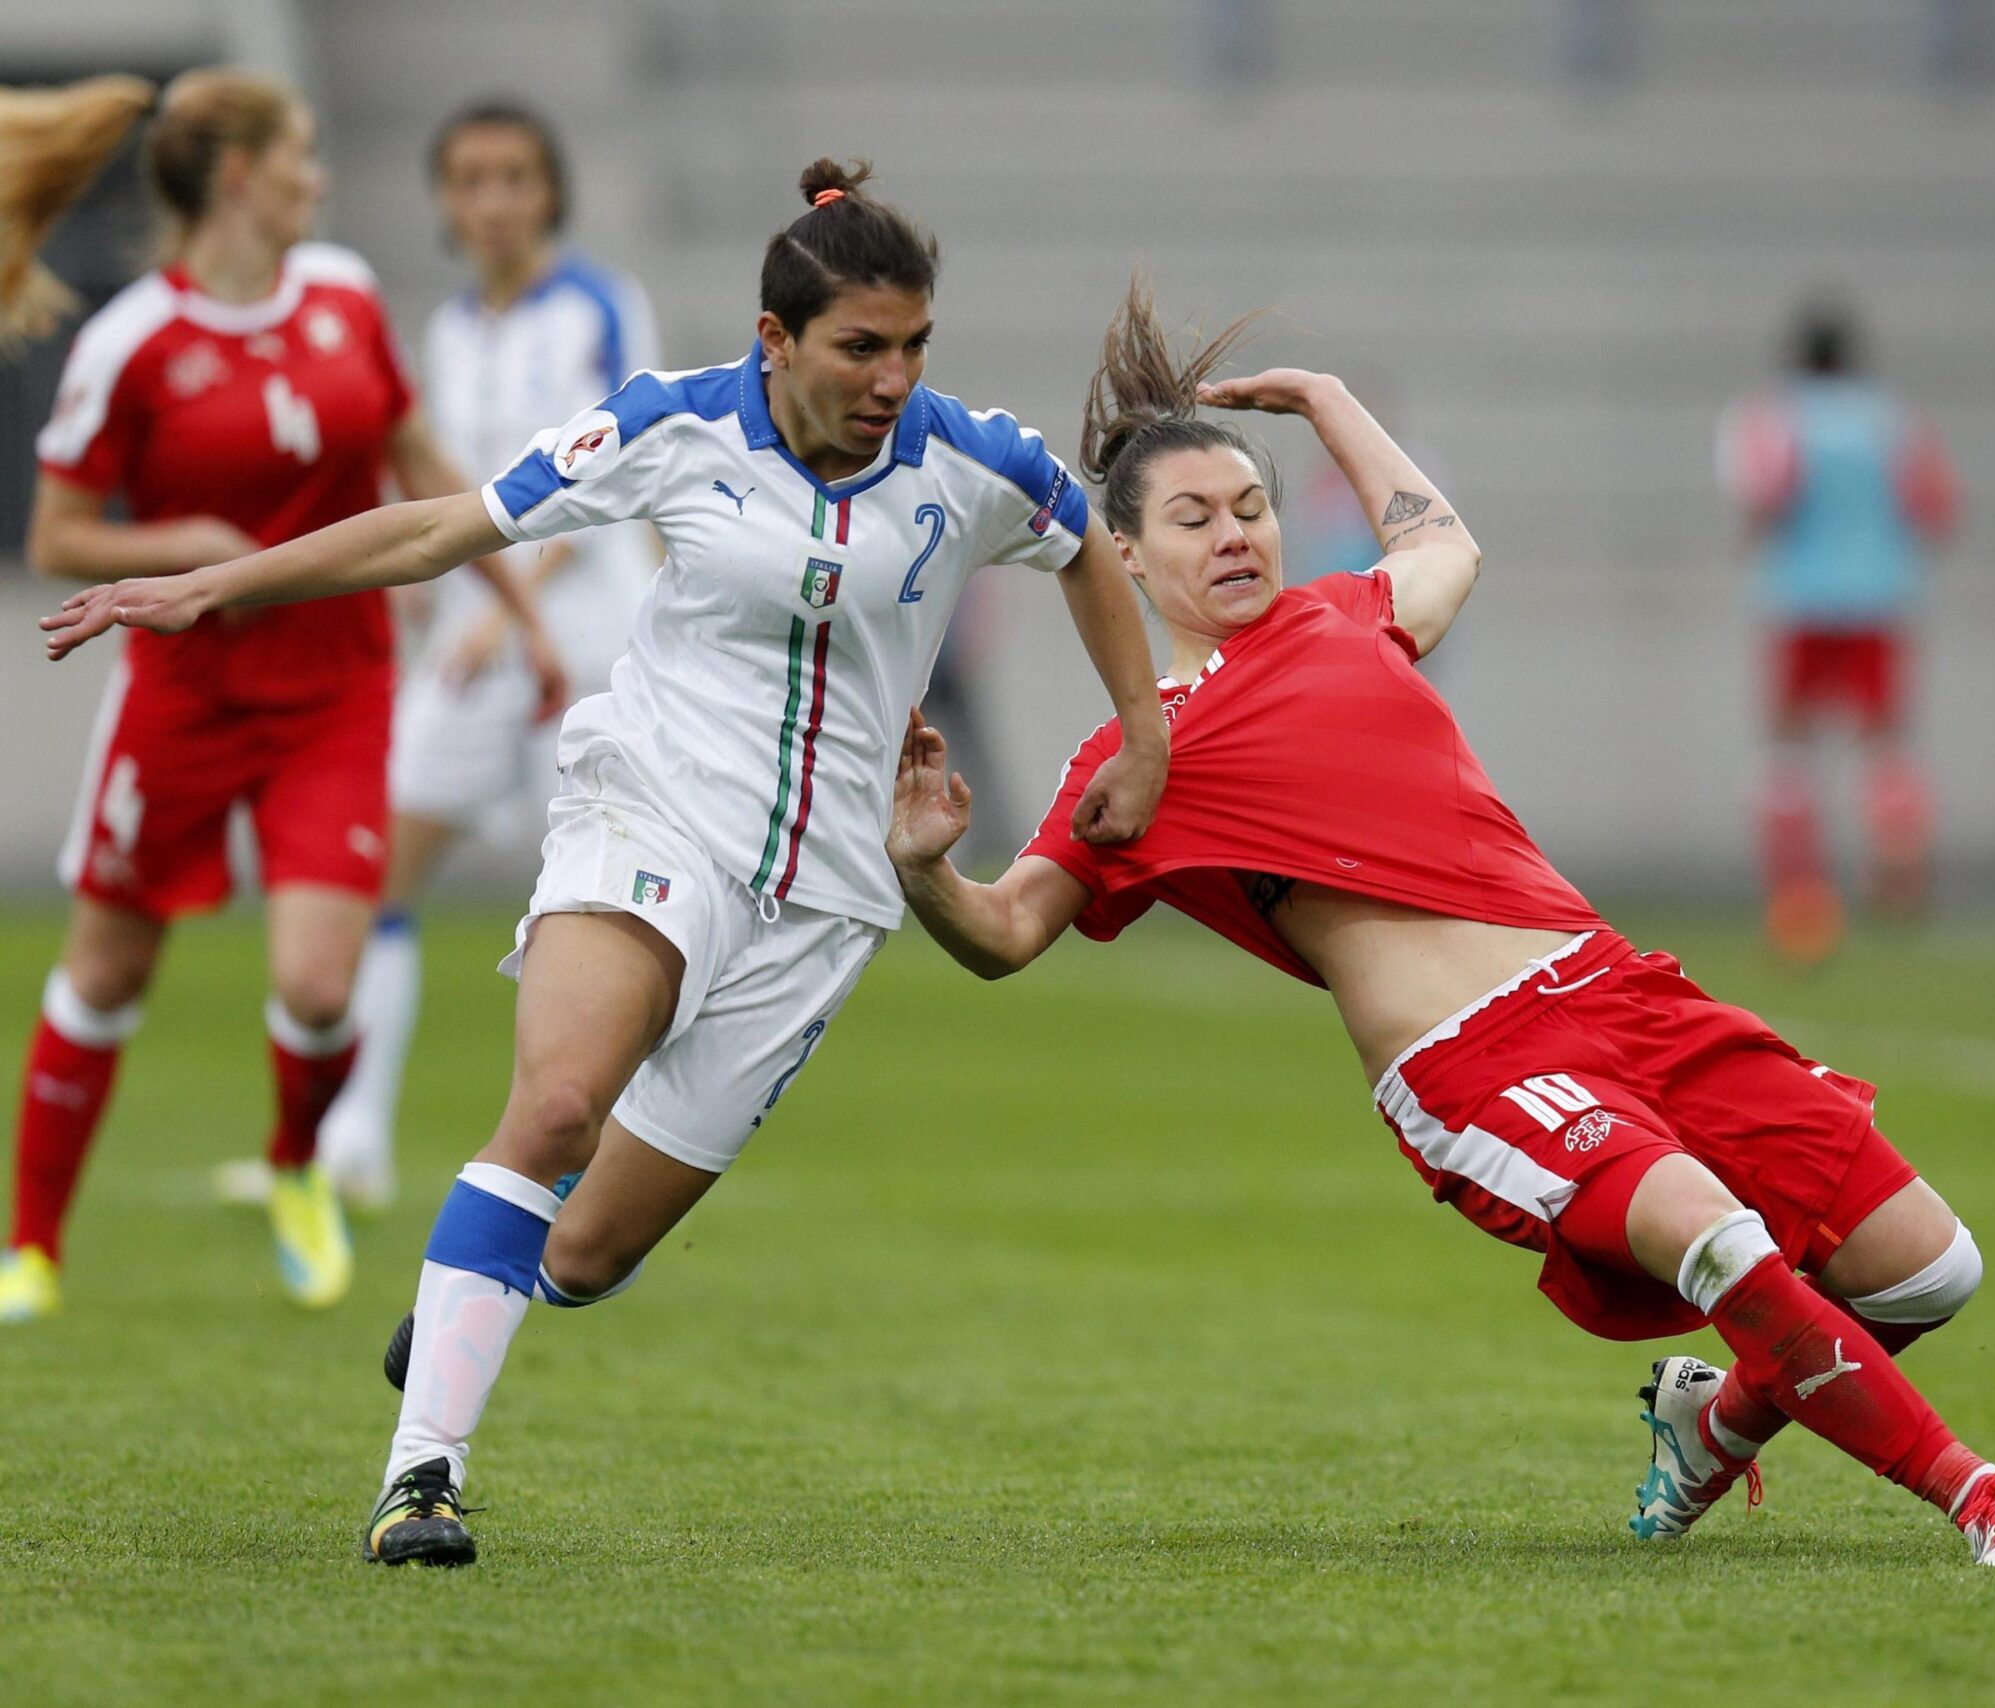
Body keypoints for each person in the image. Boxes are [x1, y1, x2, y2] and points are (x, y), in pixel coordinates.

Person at [39, 158, 1169, 1566]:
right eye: (860, 347)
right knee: (560, 1102)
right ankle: (421, 1481)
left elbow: (1086, 551)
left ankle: (474, 1293)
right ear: (778, 340)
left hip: (824, 897)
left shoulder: (968, 459)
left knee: (587, 1252)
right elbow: (437, 527)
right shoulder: (674, 427)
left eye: (913, 343)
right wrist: (216, 585)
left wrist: (1141, 729)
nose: (894, 377)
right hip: (651, 810)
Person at [885, 280, 1995, 1568]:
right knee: (1715, 1236)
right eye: (1193, 518)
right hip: (1475, 1060)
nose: (1234, 535)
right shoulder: (1131, 756)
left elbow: (1444, 543)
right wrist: (928, 871)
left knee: (1926, 1274)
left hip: (1612, 985)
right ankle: (1979, 1494)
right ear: (1123, 557)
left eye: (1251, 507)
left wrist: (1333, 405)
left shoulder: (1342, 614)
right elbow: (1004, 931)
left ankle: (1713, 1426)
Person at [0, 71, 562, 1326]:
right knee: (103, 976)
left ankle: (299, 1167)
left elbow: (423, 468)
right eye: (301, 156)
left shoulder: (345, 296)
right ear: (242, 176)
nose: (319, 178)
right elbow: (59, 536)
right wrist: (187, 544)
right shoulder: (132, 338)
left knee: (318, 987)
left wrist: (518, 612)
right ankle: (32, 1246)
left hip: (336, 689)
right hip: (184, 702)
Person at [303, 100, 662, 1209]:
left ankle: (613, 1150)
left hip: (595, 637)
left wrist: (513, 607)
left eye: (513, 176)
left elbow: (620, 471)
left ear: (548, 190)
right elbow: (437, 484)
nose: (494, 199)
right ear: (447, 201)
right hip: (471, 646)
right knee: (384, 871)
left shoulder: (600, 307)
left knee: (621, 900)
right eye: (471, 178)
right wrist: (443, 606)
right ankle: (352, 1133)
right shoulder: (449, 330)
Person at [1716, 296, 1958, 961]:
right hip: (1880, 597)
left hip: (1798, 599)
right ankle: (1898, 876)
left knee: (1790, 747)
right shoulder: (1894, 420)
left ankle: (1799, 891)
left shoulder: (1774, 415)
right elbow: (1936, 506)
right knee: (1884, 744)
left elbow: (1766, 495)